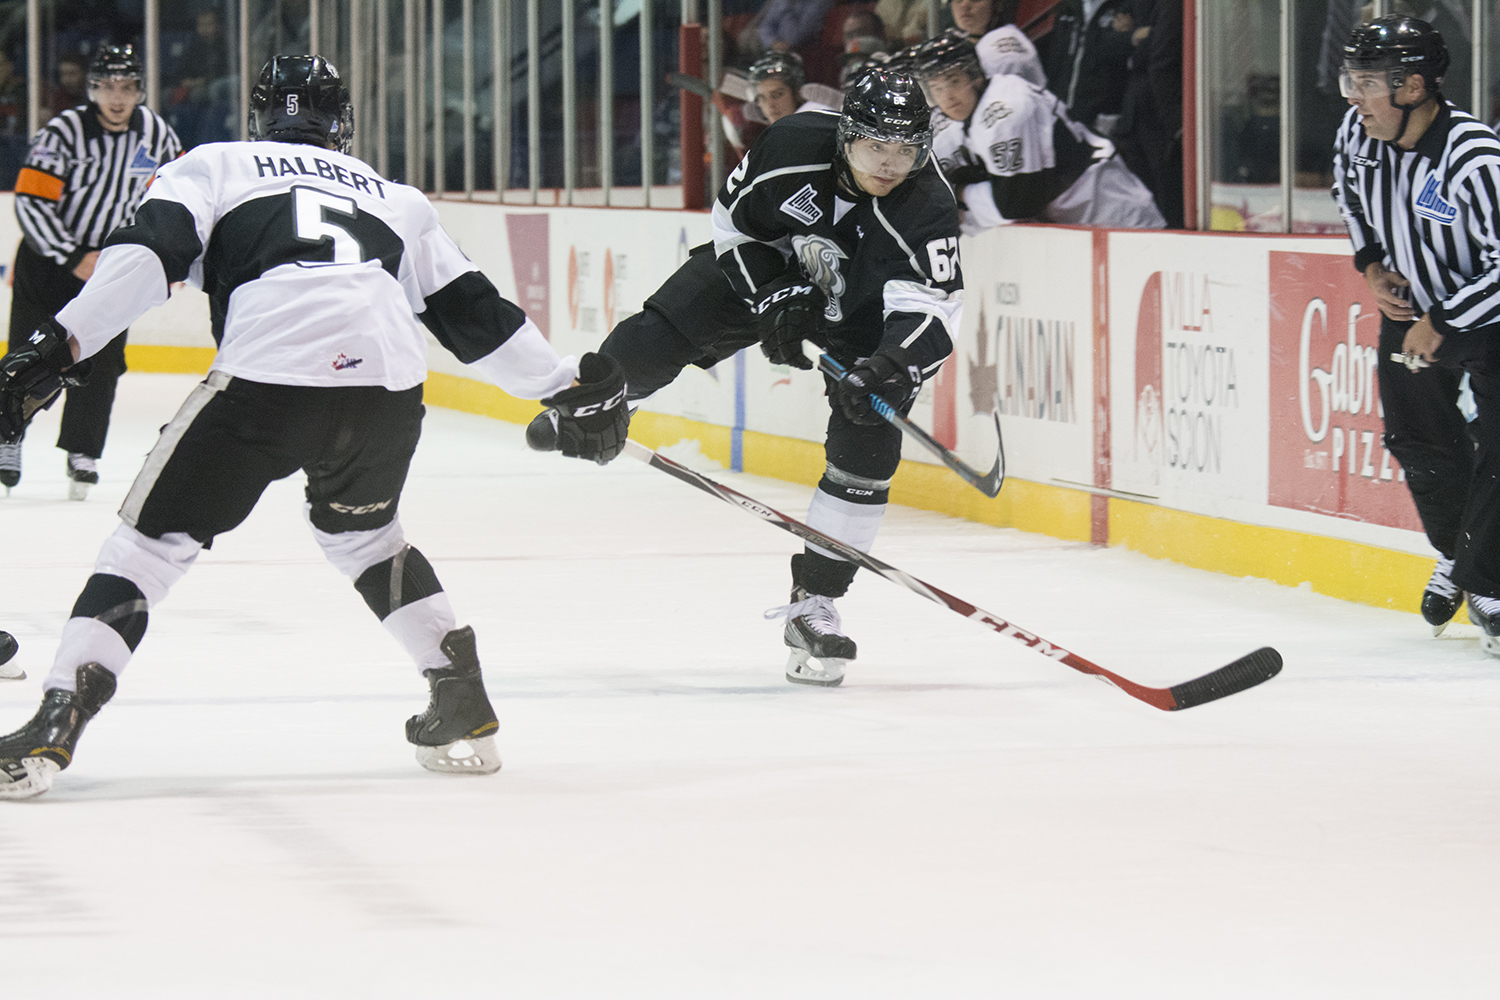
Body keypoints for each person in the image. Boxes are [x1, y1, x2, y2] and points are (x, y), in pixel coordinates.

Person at [0, 55, 630, 800]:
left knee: (147, 546)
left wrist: (53, 349)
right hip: (387, 389)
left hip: (268, 376)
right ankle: (460, 700)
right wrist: (560, 390)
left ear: (262, 116)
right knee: (365, 536)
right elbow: (473, 312)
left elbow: (147, 260)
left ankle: (57, 717)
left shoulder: (213, 163)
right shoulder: (395, 196)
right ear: (342, 123)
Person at [584, 69, 962, 688]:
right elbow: (732, 229)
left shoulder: (926, 205)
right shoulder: (789, 147)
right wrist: (773, 295)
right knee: (675, 318)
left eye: (906, 150)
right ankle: (593, 402)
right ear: (846, 138)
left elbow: (933, 309)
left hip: (866, 315)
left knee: (867, 447)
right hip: (778, 268)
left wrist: (890, 367)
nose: (891, 164)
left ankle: (815, 602)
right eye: (876, 147)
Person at [1331, 15, 1500, 646]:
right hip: (1411, 311)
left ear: (1413, 88)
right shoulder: (1359, 131)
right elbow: (1350, 199)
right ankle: (1463, 559)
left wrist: (1445, 320)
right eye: (1351, 77)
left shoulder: (1475, 158)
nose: (1352, 94)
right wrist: (1371, 264)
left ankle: (1486, 578)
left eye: (1366, 81)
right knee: (1418, 436)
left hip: (1487, 317)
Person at [0, 45, 182, 500]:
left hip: (111, 267)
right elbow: (31, 200)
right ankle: (8, 435)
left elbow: (176, 198)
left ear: (140, 90)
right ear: (92, 89)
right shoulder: (64, 131)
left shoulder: (158, 135)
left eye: (127, 88)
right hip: (48, 261)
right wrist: (72, 254)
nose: (117, 98)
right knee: (29, 351)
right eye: (107, 87)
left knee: (102, 361)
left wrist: (170, 254)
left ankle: (83, 451)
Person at [915, 29, 1164, 231]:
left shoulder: (1005, 110)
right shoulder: (977, 111)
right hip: (1084, 223)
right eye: (936, 88)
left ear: (976, 76)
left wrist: (959, 193)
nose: (947, 97)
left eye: (954, 81)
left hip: (1115, 213)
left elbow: (1017, 206)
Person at [1037, 0, 1134, 138]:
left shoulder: (1124, 9)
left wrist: (1114, 112)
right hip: (1060, 114)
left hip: (1102, 118)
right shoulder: (1068, 8)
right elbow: (1055, 61)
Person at [748, 51, 836, 127]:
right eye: (762, 98)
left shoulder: (816, 119)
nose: (770, 105)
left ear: (797, 93)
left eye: (777, 95)